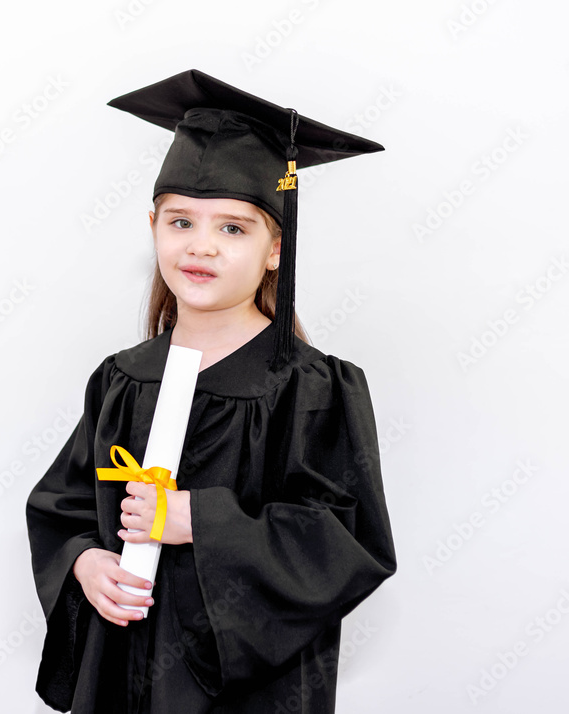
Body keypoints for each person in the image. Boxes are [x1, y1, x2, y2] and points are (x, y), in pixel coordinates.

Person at [25, 69, 397, 714]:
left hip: (248, 691)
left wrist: (201, 521)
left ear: (276, 248)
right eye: (180, 222)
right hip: (121, 667)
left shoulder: (312, 389)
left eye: (233, 228)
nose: (200, 246)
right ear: (153, 227)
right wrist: (84, 564)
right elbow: (62, 507)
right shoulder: (123, 379)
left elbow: (348, 542)